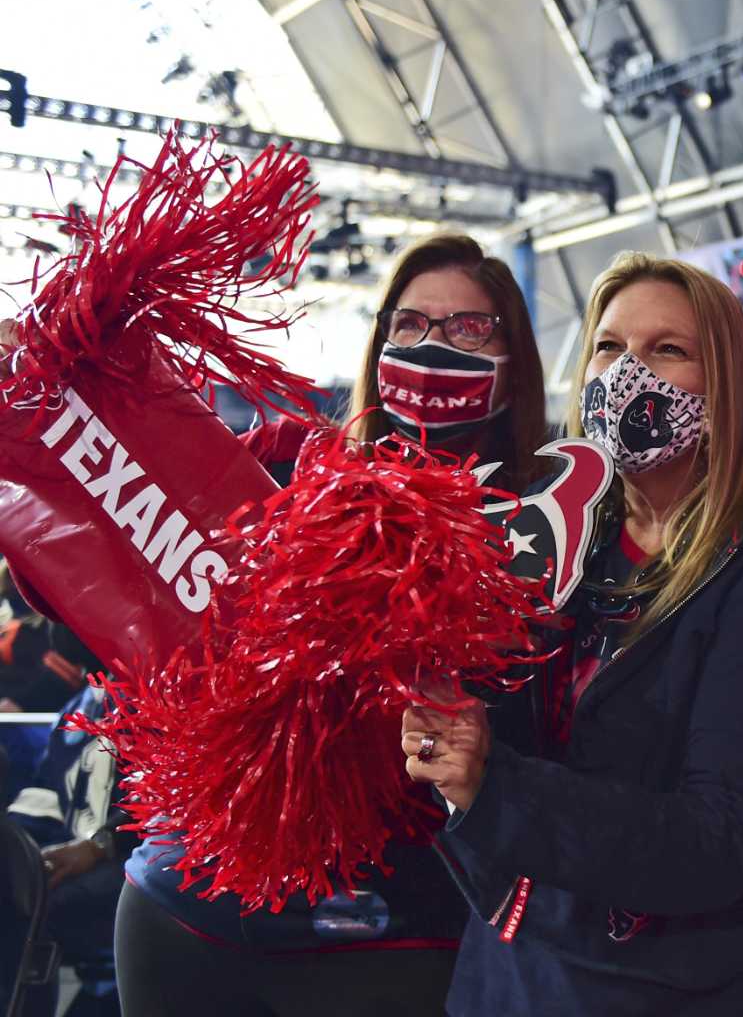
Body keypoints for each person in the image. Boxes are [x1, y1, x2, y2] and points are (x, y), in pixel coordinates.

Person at [111, 234, 550, 1017]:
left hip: (391, 939)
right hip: (189, 911)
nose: (432, 347)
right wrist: (54, 389)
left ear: (514, 362)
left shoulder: (554, 530)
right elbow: (127, 536)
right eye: (409, 325)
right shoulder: (290, 465)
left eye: (467, 329)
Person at [401, 254, 743, 1016]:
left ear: (725, 384)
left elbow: (722, 843)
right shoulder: (550, 533)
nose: (627, 372)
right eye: (608, 347)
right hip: (509, 974)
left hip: (668, 990)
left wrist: (492, 784)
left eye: (667, 350)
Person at [4, 684, 126, 1017]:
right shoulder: (82, 702)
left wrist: (101, 844)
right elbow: (47, 791)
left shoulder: (170, 692)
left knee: (44, 907)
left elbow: (171, 804)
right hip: (79, 853)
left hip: (135, 862)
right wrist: (19, 852)